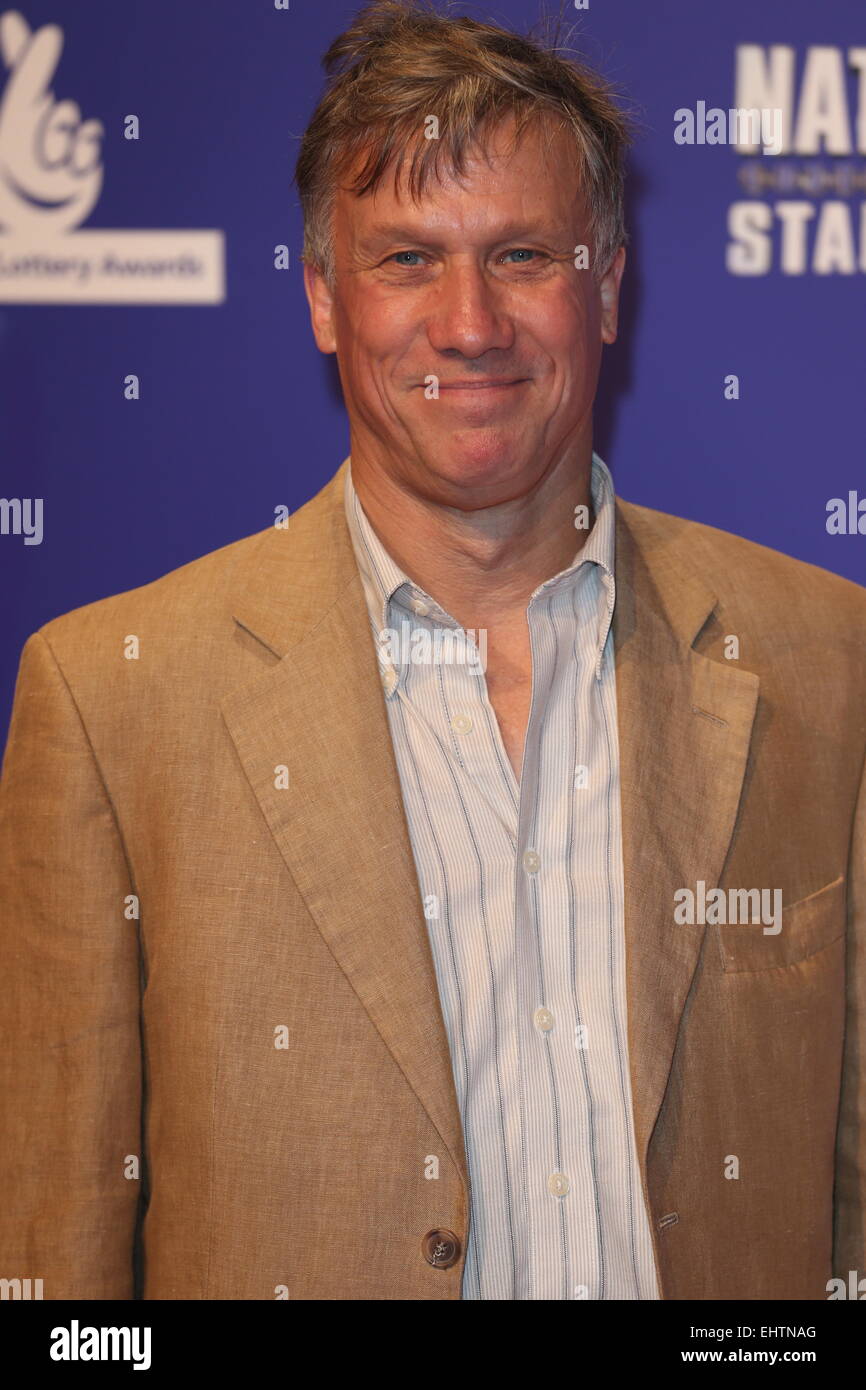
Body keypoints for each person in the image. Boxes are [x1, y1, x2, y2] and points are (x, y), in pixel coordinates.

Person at [1, 0, 864, 1301]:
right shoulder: (113, 697)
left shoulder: (828, 658)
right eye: (405, 259)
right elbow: (56, 1259)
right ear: (321, 301)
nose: (468, 324)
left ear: (607, 287)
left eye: (521, 253)